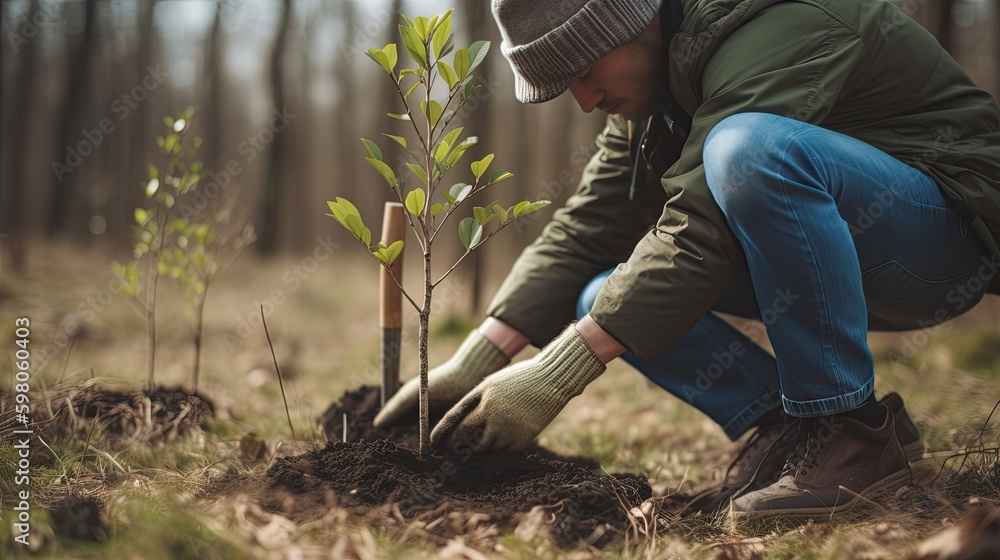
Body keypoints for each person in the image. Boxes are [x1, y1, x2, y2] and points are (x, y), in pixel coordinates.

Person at [374, 0, 1000, 522]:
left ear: (632, 24)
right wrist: (478, 358)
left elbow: (703, 224)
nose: (585, 101)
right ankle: (795, 432)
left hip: (946, 232)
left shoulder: (773, 24)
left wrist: (552, 376)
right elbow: (590, 227)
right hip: (851, 257)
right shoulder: (665, 86)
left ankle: (851, 429)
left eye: (586, 71)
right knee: (599, 295)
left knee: (747, 150)